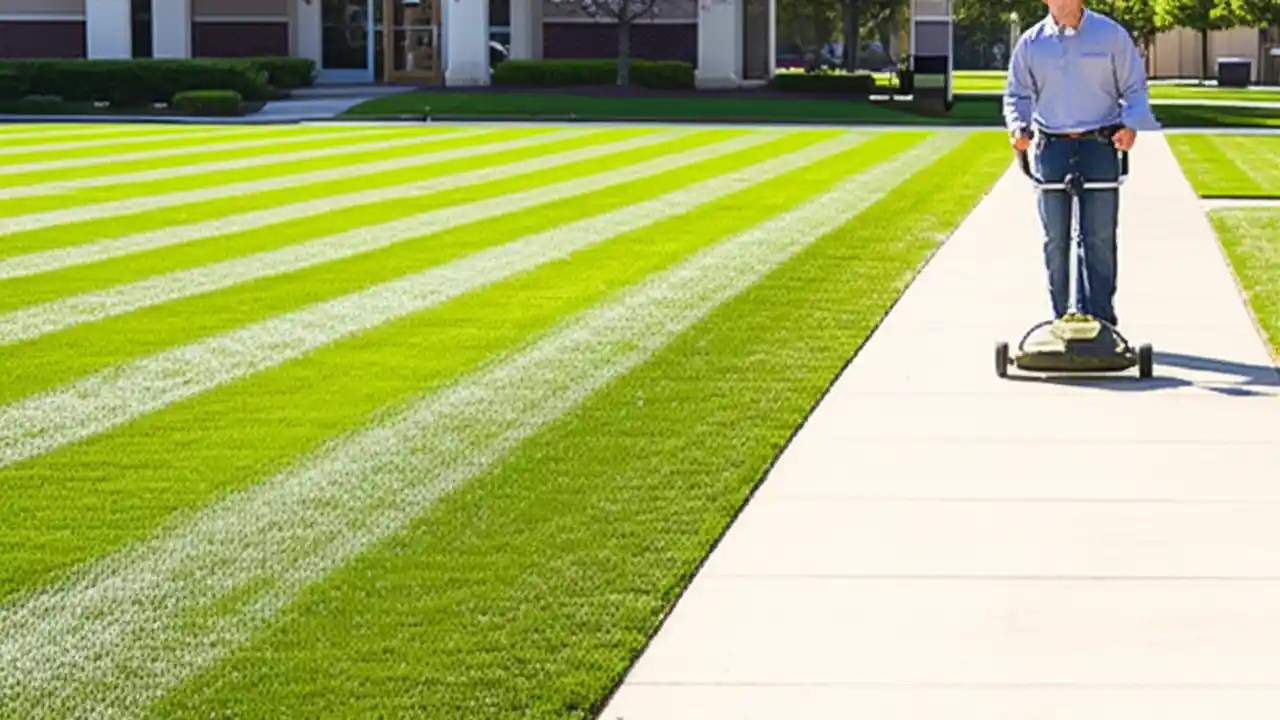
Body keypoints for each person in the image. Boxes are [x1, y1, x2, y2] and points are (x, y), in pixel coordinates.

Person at [1002, 0, 1160, 328]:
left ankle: (1101, 320)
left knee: (1099, 236)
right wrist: (1018, 127)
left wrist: (1130, 125)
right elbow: (1016, 94)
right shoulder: (1031, 43)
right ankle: (1063, 319)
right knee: (1055, 238)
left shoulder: (1111, 35)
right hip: (1052, 146)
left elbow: (1134, 88)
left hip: (1099, 144)